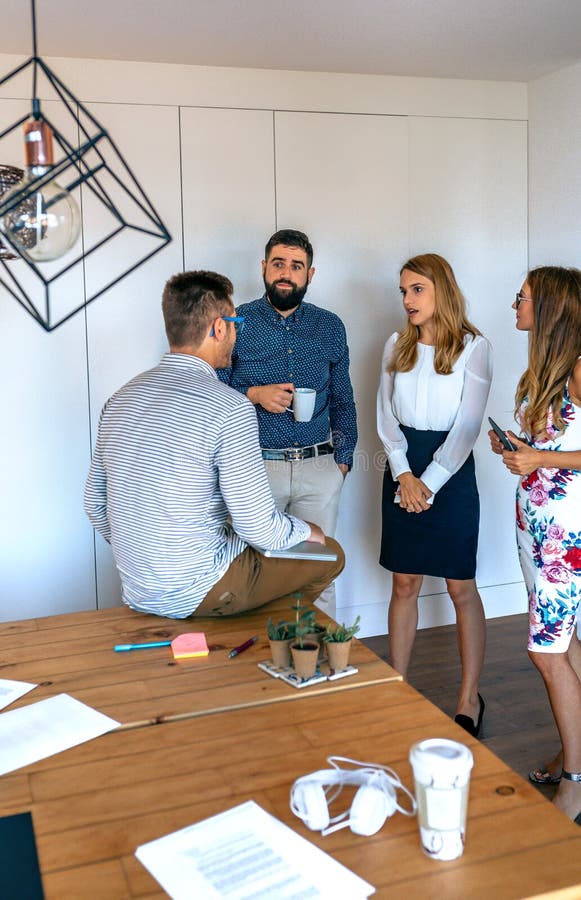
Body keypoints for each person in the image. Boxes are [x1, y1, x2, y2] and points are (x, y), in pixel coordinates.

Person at [84, 270, 344, 619]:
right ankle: (259, 633)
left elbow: (93, 504)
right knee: (330, 554)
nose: (235, 333)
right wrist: (308, 530)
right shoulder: (229, 408)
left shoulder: (121, 398)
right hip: (201, 588)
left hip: (137, 587)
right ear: (219, 328)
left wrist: (146, 557)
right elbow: (258, 527)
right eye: (234, 323)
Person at [377, 253, 492, 736]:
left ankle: (469, 698)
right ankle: (397, 685)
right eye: (403, 290)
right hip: (403, 469)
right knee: (404, 584)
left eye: (417, 289)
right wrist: (405, 475)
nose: (407, 300)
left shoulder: (474, 347)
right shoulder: (394, 345)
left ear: (441, 290)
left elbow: (467, 428)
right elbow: (383, 414)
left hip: (451, 471)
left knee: (459, 587)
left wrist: (429, 482)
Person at [218, 230, 357, 608]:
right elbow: (211, 395)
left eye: (296, 266)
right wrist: (253, 395)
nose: (286, 273)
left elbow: (343, 397)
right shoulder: (236, 322)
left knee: (319, 575)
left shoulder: (330, 326)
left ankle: (322, 662)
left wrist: (341, 462)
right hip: (255, 469)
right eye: (278, 264)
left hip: (320, 468)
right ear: (264, 268)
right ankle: (260, 663)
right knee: (251, 575)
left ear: (310, 274)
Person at [488, 266, 581, 825]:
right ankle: (575, 754)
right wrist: (523, 451)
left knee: (544, 651)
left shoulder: (578, 368)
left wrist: (539, 458)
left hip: (566, 539)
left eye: (521, 298)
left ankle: (576, 781)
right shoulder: (542, 373)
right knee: (566, 649)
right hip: (535, 527)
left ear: (548, 308)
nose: (514, 304)